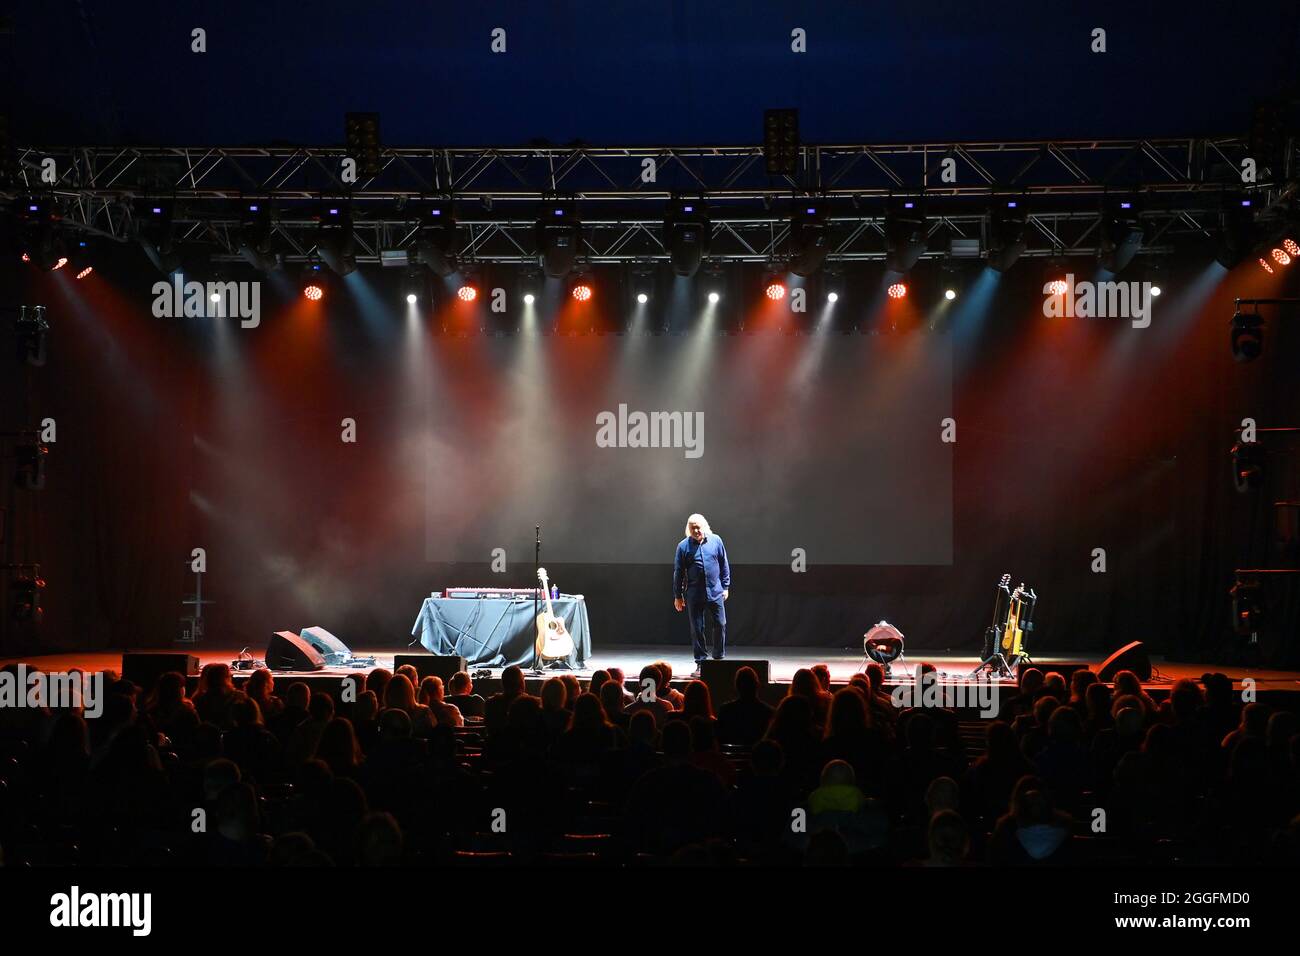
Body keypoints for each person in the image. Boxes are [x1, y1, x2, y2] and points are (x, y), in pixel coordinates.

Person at [672, 513, 730, 673]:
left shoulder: (716, 540)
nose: (696, 530)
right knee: (697, 628)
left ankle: (718, 659)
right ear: (688, 529)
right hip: (694, 594)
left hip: (715, 591)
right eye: (692, 528)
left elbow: (724, 564)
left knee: (720, 623)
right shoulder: (683, 546)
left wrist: (725, 586)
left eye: (698, 527)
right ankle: (701, 663)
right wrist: (678, 595)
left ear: (704, 526)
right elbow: (678, 572)